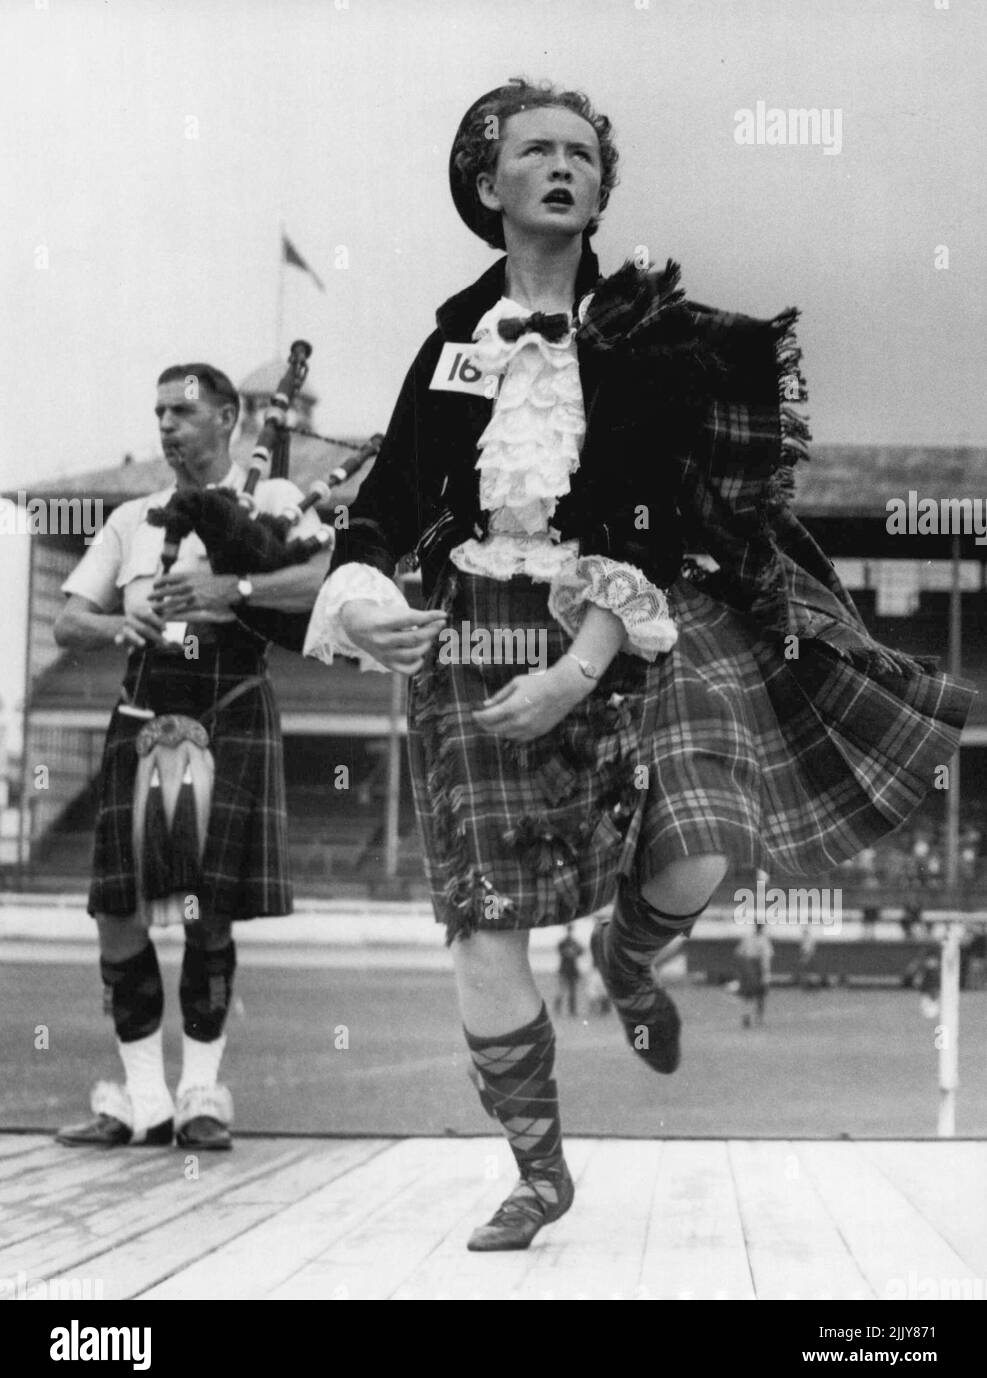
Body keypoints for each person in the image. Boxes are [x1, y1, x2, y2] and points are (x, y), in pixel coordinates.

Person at [304, 78, 973, 1250]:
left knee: (704, 837)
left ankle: (628, 954)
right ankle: (538, 1169)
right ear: (486, 182)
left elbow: (652, 526)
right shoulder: (449, 343)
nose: (564, 167)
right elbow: (390, 503)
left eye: (583, 154)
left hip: (637, 614)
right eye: (536, 151)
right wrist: (362, 604)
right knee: (486, 915)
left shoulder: (648, 342)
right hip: (478, 630)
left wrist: (580, 662)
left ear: (603, 188)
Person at [53, 363, 328, 1151]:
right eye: (159, 412)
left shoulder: (273, 501)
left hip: (231, 707)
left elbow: (318, 580)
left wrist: (228, 591)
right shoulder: (133, 517)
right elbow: (71, 621)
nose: (167, 425)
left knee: (208, 915)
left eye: (183, 411)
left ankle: (202, 1094)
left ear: (229, 419)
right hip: (141, 713)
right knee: (116, 913)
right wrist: (121, 622)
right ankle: (145, 1101)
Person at [735, 922, 773, 1027]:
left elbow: (738, 952)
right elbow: (766, 958)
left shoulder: (747, 938)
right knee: (760, 994)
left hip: (748, 966)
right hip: (757, 967)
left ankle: (747, 1015)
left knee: (748, 994)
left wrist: (744, 967)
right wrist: (766, 974)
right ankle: (758, 1018)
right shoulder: (763, 940)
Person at [553, 923, 584, 1017]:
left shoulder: (574, 942)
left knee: (572, 992)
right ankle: (558, 1009)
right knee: (561, 990)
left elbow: (581, 951)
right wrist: (571, 952)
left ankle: (572, 1011)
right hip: (564, 969)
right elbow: (561, 951)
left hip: (572, 970)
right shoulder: (563, 942)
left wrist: (573, 951)